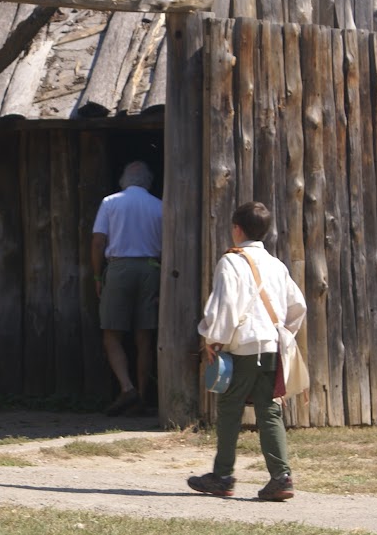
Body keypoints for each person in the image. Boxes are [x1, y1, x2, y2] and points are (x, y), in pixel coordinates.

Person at [189, 200, 307, 502]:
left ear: (236, 229)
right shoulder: (276, 265)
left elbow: (225, 305)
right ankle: (281, 478)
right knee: (268, 410)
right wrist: (283, 335)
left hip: (244, 347)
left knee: (230, 409)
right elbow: (298, 306)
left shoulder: (231, 261)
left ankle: (223, 476)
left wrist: (212, 338)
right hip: (271, 346)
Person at [90, 161, 162, 416]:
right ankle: (142, 396)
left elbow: (98, 242)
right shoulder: (159, 206)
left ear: (124, 179)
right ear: (148, 181)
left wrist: (98, 278)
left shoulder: (110, 202)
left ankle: (127, 388)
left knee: (111, 333)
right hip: (151, 268)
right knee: (145, 335)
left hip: (119, 268)